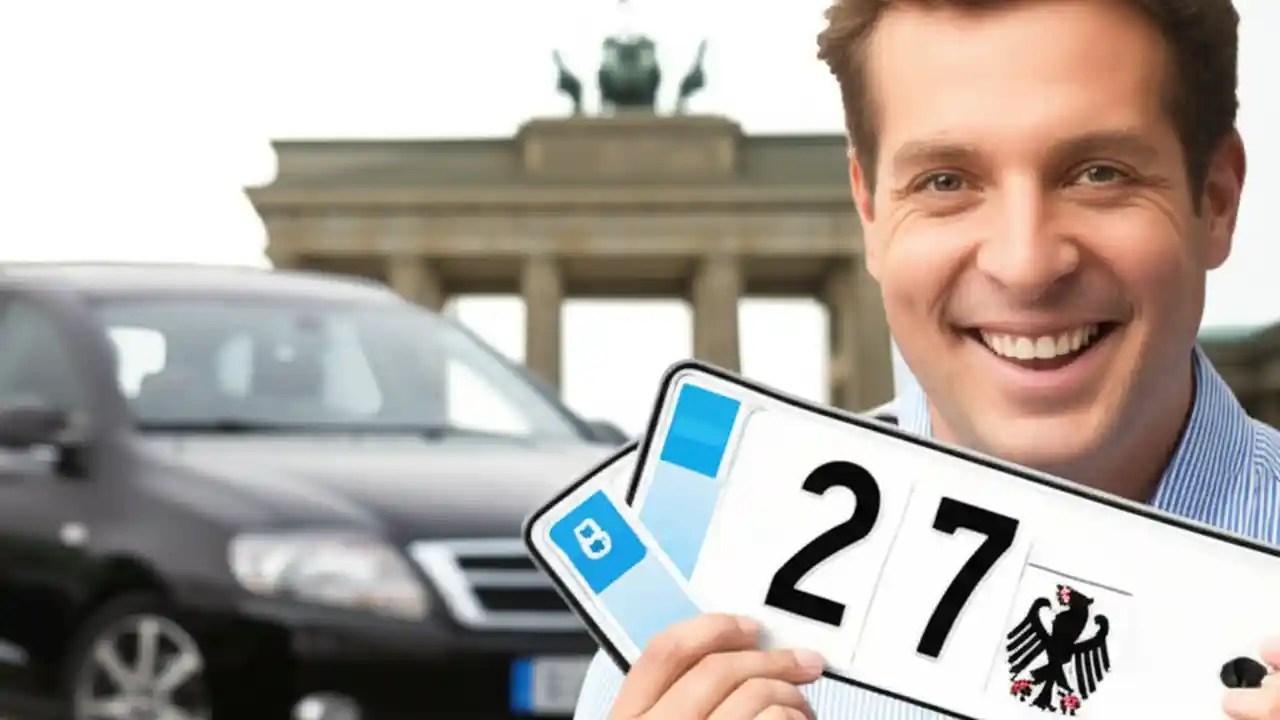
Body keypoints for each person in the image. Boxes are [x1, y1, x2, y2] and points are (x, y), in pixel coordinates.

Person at [572, 0, 1280, 718]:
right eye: (946, 182)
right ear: (870, 215)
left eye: (1099, 174)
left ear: (1217, 200)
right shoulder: (686, 643)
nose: (1025, 265)